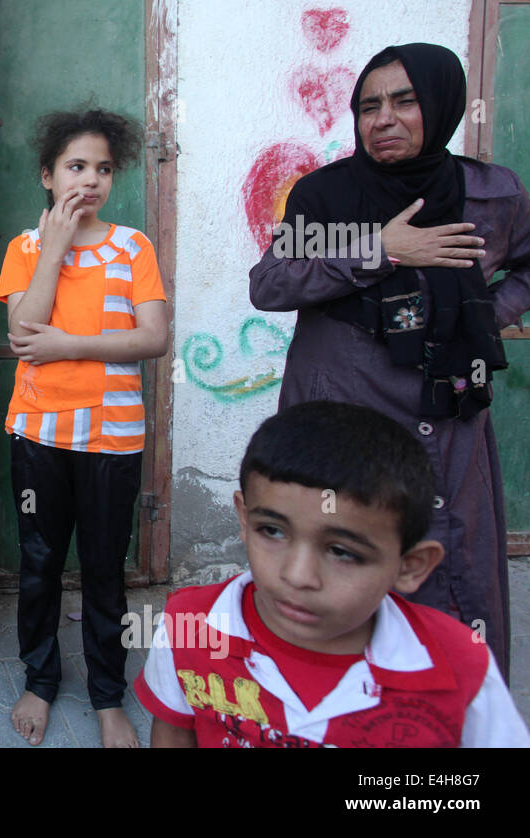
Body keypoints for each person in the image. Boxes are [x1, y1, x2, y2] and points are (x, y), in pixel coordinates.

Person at [249, 43, 530, 680]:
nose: (384, 119)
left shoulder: (492, 195)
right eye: (370, 105)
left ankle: (440, 703)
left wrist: (485, 312)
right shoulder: (325, 195)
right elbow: (270, 284)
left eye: (404, 101)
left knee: (443, 554)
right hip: (343, 404)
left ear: (441, 104)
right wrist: (382, 247)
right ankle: (327, 702)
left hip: (447, 409)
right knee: (337, 550)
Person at [136, 401, 529, 747]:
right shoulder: (188, 625)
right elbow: (173, 730)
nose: (298, 575)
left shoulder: (459, 664)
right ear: (243, 517)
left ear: (411, 566)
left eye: (342, 552)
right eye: (272, 531)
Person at [0, 108, 170, 747]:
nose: (89, 181)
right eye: (75, 166)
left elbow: (152, 338)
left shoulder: (133, 247)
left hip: (112, 438)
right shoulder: (25, 247)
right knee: (39, 564)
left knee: (103, 570)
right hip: (39, 433)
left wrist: (67, 342)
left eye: (101, 168)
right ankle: (39, 681)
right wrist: (57, 247)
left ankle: (107, 696)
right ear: (47, 175)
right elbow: (21, 335)